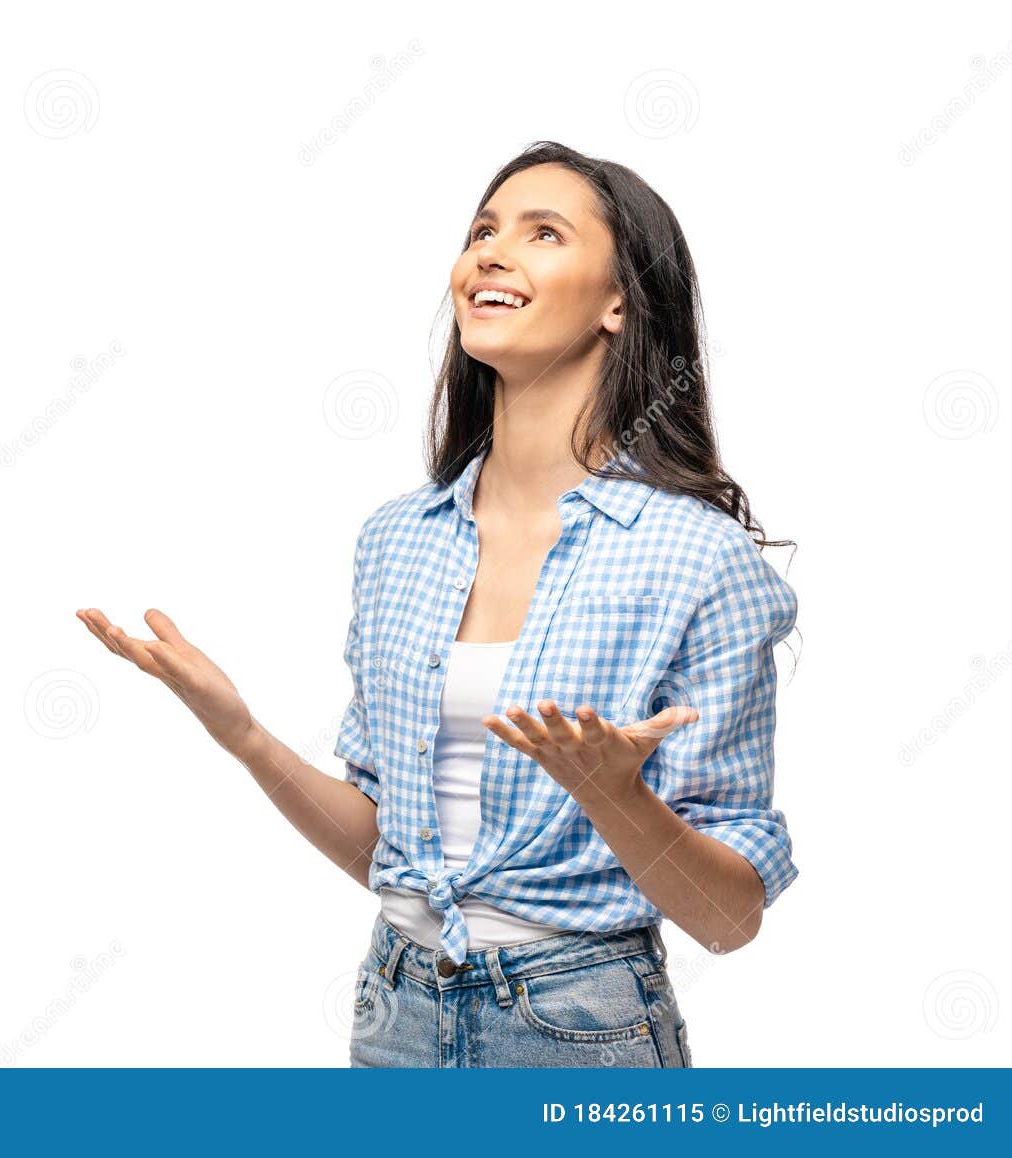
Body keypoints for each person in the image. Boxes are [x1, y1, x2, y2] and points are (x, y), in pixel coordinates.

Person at [76, 140, 798, 1068]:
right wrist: (244, 735)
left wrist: (615, 799)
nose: (492, 253)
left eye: (543, 233)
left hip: (578, 1024)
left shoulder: (697, 558)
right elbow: (388, 851)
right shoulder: (399, 539)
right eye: (482, 231)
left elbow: (729, 919)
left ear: (620, 301)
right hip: (395, 1009)